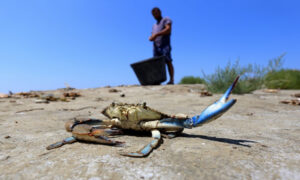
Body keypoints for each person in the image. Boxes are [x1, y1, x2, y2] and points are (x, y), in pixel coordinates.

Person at [149, 7, 174, 85]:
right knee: (156, 64)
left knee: (168, 61)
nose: (155, 15)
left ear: (160, 12)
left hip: (165, 45)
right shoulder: (154, 25)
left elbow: (168, 29)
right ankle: (158, 80)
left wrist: (156, 34)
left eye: (156, 13)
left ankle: (171, 80)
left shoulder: (166, 19)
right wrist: (151, 37)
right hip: (156, 46)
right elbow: (152, 35)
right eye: (153, 14)